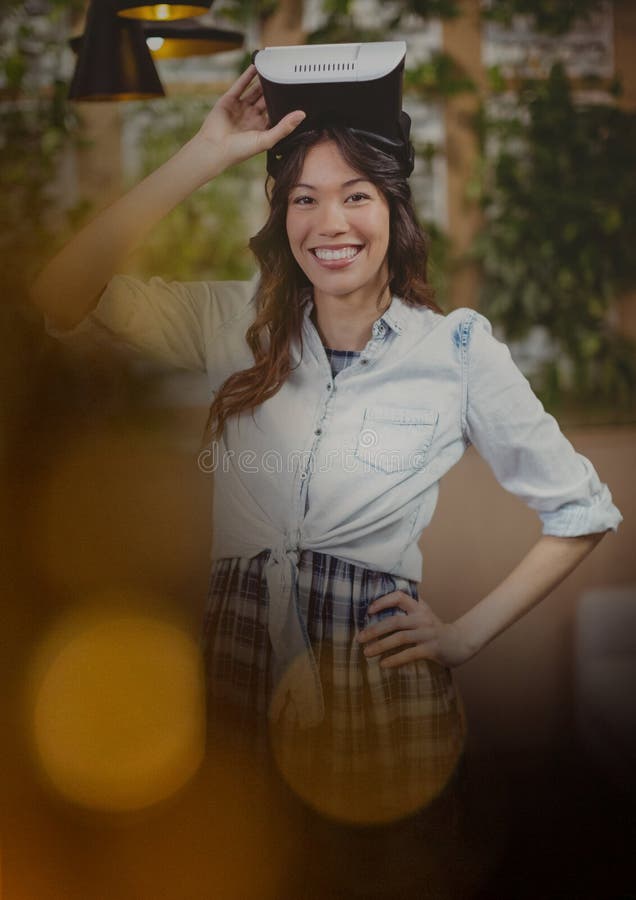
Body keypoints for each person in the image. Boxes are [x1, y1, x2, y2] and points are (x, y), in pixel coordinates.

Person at [30, 61, 623, 825]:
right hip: (236, 668)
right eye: (304, 199)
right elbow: (56, 293)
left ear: (392, 211)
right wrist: (206, 153)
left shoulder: (458, 350)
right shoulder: (232, 322)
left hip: (377, 686)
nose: (330, 223)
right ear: (282, 219)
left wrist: (464, 637)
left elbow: (582, 510)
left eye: (355, 196)